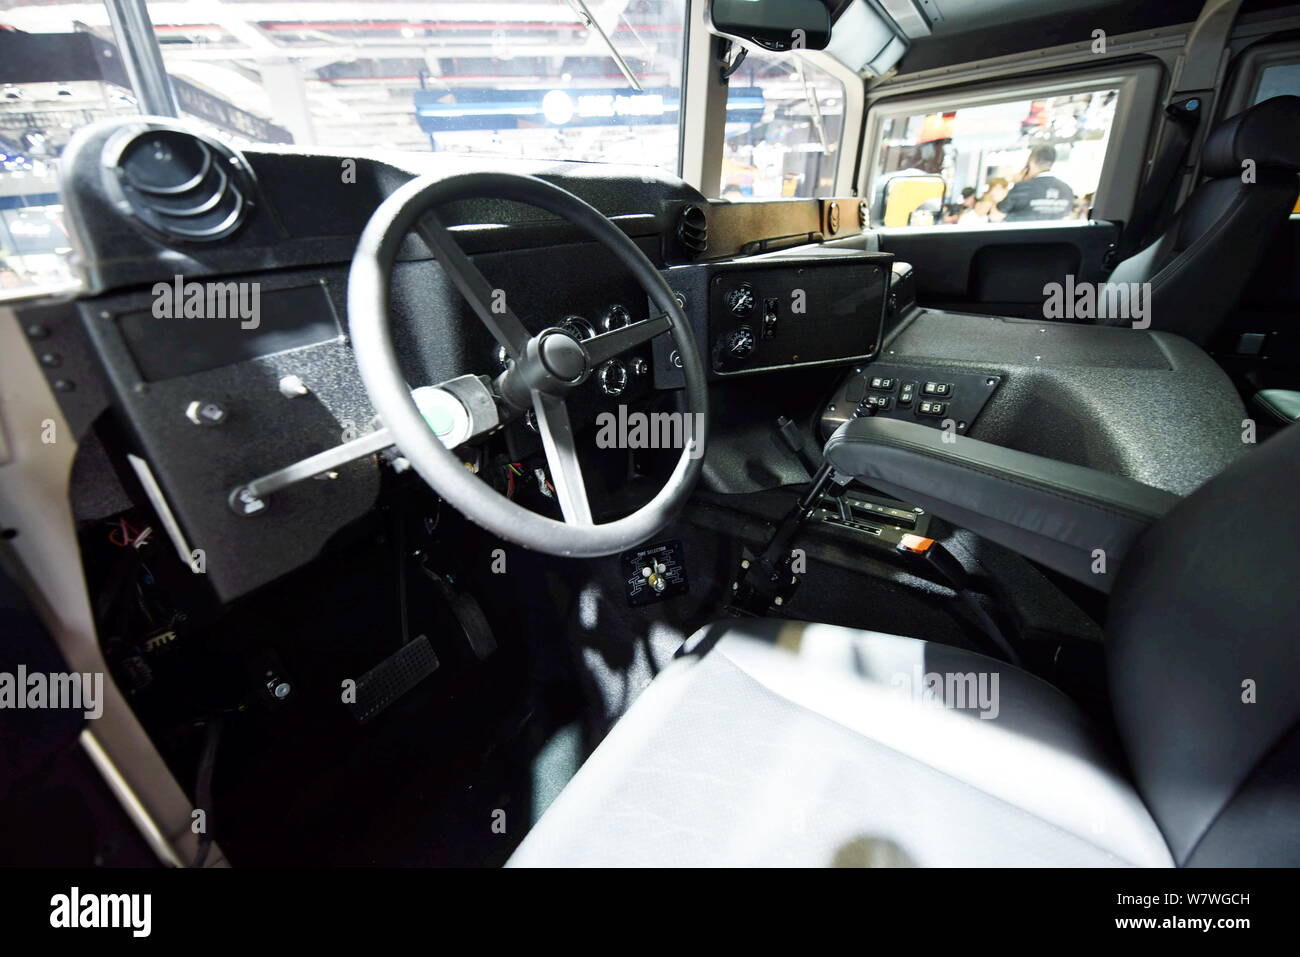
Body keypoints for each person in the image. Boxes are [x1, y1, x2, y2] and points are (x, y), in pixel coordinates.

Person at [989, 145, 1076, 222]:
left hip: (1021, 238)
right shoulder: (1067, 189)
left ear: (1030, 162)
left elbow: (995, 216)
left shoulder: (1022, 187)